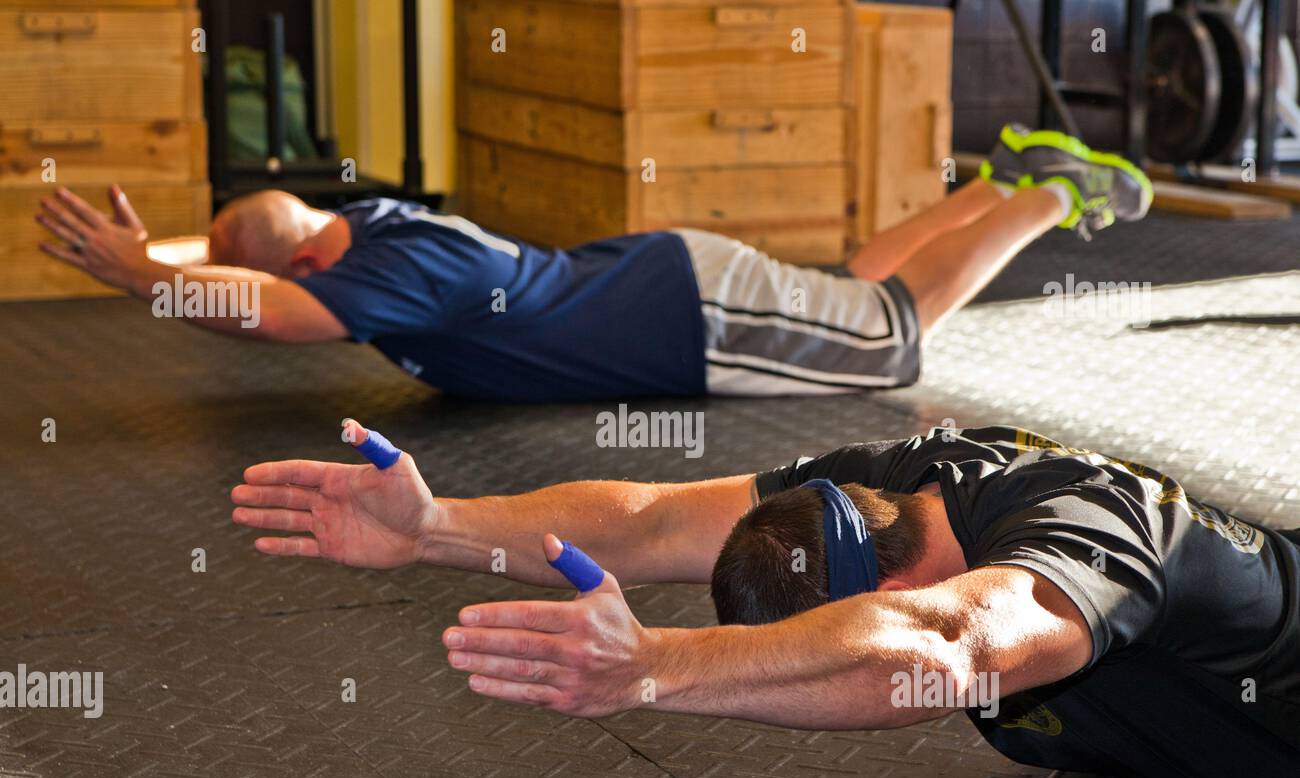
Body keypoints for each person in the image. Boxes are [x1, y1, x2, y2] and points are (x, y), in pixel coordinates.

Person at [229, 420, 1300, 778]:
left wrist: (653, 666)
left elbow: (943, 643)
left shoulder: (1085, 536)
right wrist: (437, 528)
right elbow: (650, 519)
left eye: (823, 637)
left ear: (886, 590)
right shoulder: (890, 480)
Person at [38, 126, 1150, 400]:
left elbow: (274, 311)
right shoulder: (375, 222)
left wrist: (145, 273)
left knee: (892, 336)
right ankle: (997, 182)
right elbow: (257, 264)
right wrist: (151, 258)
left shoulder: (386, 277)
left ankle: (1059, 193)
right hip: (675, 279)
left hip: (690, 315)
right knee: (861, 282)